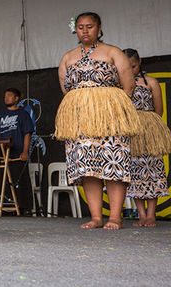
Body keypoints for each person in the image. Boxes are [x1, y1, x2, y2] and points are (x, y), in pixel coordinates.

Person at [54, 12, 139, 230]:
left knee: (113, 165)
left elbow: (128, 86)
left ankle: (115, 217)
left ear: (99, 28)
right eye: (81, 27)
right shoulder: (68, 57)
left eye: (89, 26)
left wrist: (110, 109)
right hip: (81, 120)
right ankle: (96, 217)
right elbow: (66, 89)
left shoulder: (113, 52)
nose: (85, 30)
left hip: (109, 118)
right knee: (88, 168)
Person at [123, 49, 171, 227]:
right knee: (135, 172)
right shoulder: (120, 85)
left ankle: (151, 214)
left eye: (133, 67)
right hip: (131, 133)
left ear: (139, 62)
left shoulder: (150, 82)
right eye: (127, 68)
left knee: (153, 170)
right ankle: (141, 214)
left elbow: (159, 110)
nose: (131, 71)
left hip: (149, 133)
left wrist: (149, 126)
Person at [0, 88, 34, 215]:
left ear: (16, 98)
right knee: (2, 182)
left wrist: (25, 151)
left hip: (17, 155)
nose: (6, 98)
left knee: (20, 183)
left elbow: (27, 134)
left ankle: (23, 209)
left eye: (10, 96)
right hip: (3, 156)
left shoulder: (23, 114)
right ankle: (3, 209)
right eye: (5, 96)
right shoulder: (0, 115)